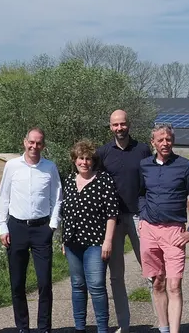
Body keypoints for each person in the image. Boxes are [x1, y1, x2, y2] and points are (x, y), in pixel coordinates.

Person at [138, 123, 189, 333]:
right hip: (149, 231)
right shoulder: (144, 166)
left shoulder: (185, 167)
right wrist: (142, 217)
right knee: (158, 283)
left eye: (168, 139)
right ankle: (164, 328)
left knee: (174, 285)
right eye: (160, 139)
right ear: (153, 142)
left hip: (174, 233)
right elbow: (140, 194)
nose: (165, 143)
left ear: (173, 141)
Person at [0, 128, 63, 333]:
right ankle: (23, 327)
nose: (34, 147)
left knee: (44, 283)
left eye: (39, 143)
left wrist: (52, 225)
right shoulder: (11, 166)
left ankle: (44, 328)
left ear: (43, 146)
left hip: (41, 229)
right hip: (16, 227)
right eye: (31, 142)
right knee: (17, 282)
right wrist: (2, 226)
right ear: (24, 142)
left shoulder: (50, 167)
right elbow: (3, 197)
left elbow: (57, 197)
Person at [95, 108, 153, 333]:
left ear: (129, 124)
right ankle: (124, 326)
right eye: (115, 125)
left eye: (123, 124)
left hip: (140, 217)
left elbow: (151, 182)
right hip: (113, 221)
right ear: (110, 127)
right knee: (116, 276)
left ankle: (163, 323)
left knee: (151, 270)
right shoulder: (102, 153)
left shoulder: (142, 150)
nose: (119, 128)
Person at [59, 139, 120, 333]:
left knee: (96, 286)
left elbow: (112, 214)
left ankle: (102, 328)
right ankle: (80, 328)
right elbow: (65, 213)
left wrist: (108, 241)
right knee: (77, 285)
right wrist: (63, 239)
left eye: (87, 159)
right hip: (72, 242)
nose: (84, 162)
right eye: (80, 158)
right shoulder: (68, 181)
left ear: (93, 161)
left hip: (96, 242)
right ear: (74, 160)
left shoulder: (103, 180)